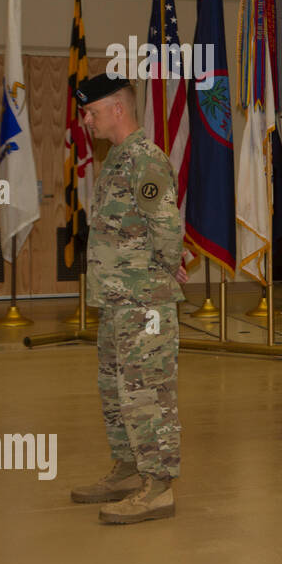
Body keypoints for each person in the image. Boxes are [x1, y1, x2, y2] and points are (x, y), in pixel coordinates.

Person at [69, 72, 188, 524]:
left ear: (117, 108)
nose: (85, 120)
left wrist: (166, 265)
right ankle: (126, 468)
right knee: (116, 389)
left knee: (148, 393)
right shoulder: (117, 157)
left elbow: (166, 227)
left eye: (91, 111)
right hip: (118, 301)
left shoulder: (145, 159)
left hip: (144, 302)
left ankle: (158, 486)